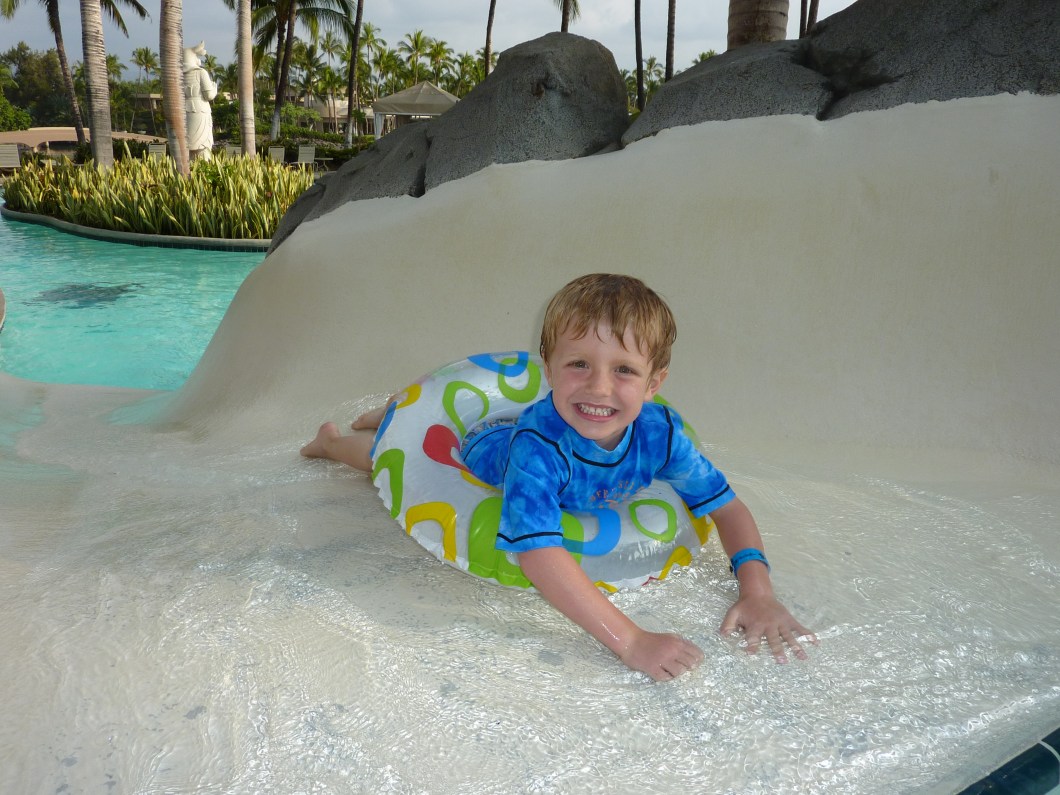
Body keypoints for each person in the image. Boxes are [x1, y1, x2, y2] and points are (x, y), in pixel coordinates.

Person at [301, 273, 816, 681]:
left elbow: (726, 507)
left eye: (624, 370)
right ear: (548, 369)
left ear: (654, 383)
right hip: (489, 448)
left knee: (400, 437)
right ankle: (341, 439)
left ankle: (391, 411)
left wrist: (757, 590)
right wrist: (631, 641)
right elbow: (539, 553)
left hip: (557, 460)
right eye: (578, 364)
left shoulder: (661, 435)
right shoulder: (538, 450)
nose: (598, 388)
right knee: (387, 459)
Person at [183, 42, 218, 161]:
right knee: (202, 145)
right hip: (200, 110)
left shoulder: (180, 75)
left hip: (185, 110)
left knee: (188, 145)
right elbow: (209, 95)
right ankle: (203, 168)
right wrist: (214, 89)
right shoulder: (201, 72)